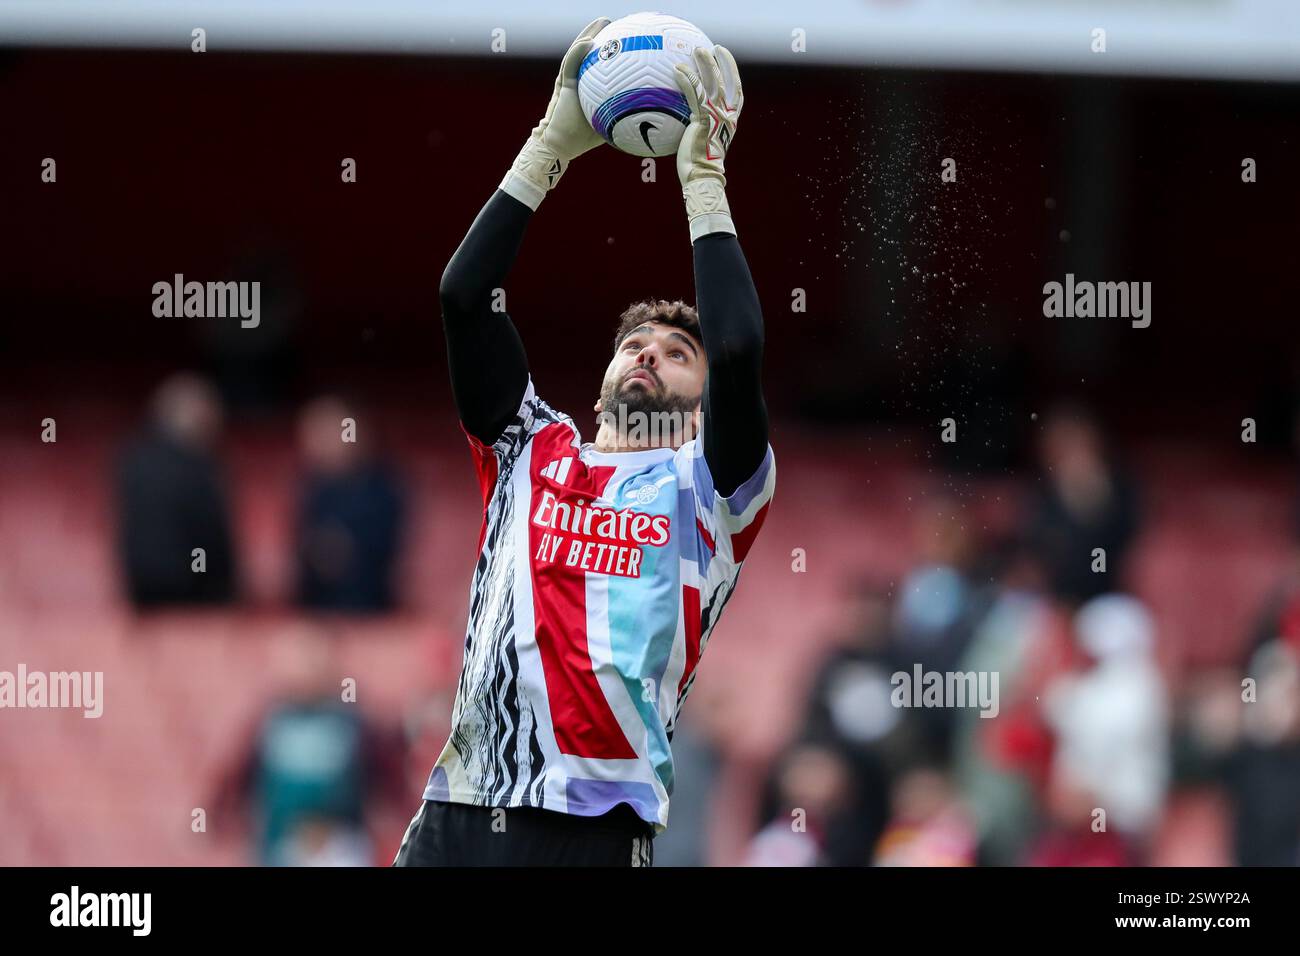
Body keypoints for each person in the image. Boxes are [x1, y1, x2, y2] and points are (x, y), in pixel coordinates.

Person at [393, 19, 775, 867]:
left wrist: (703, 179)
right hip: (462, 809)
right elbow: (464, 294)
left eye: (679, 355)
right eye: (636, 343)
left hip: (593, 833)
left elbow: (741, 349)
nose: (650, 354)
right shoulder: (530, 445)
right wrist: (550, 142)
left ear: (703, 406)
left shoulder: (710, 491)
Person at [115, 372, 237, 607]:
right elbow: (209, 536)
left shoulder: (133, 460)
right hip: (193, 592)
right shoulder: (199, 466)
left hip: (145, 586)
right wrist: (222, 590)